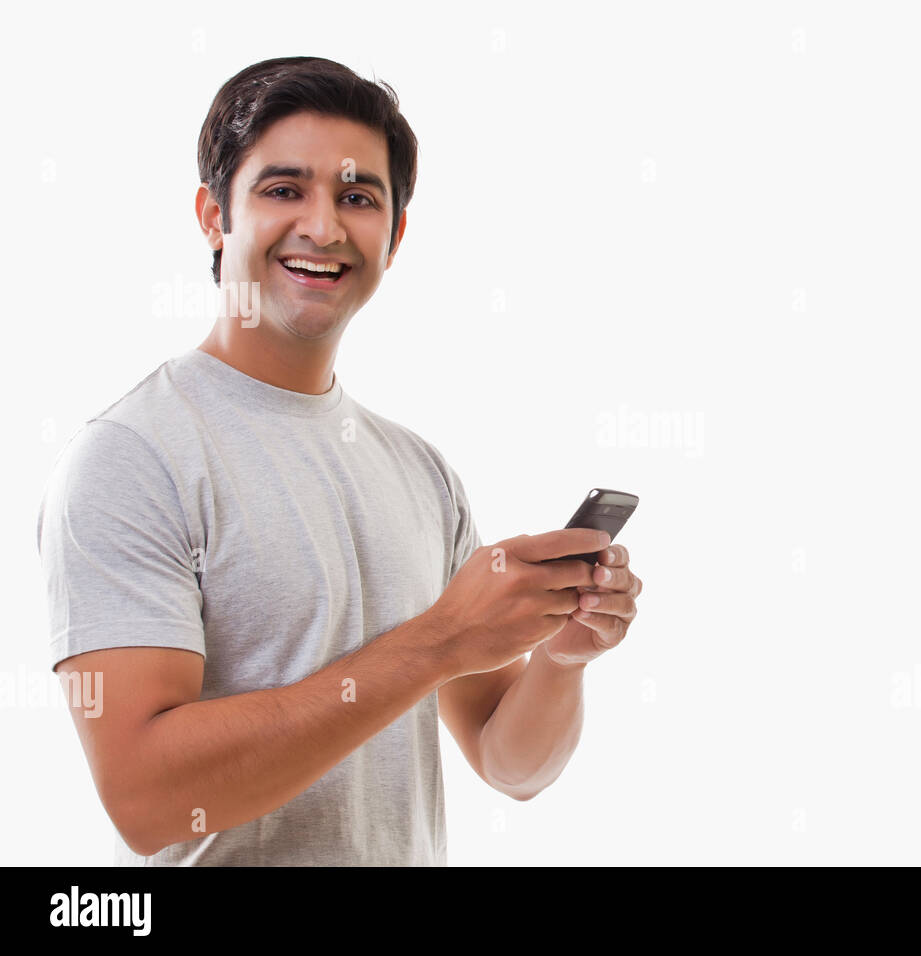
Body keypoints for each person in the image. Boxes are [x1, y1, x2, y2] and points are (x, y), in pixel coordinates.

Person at [34, 56, 643, 866]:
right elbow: (152, 800)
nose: (322, 227)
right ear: (214, 219)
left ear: (393, 237)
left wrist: (561, 660)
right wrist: (438, 641)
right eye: (284, 190)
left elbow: (509, 763)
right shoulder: (131, 457)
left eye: (357, 198)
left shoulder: (421, 473)